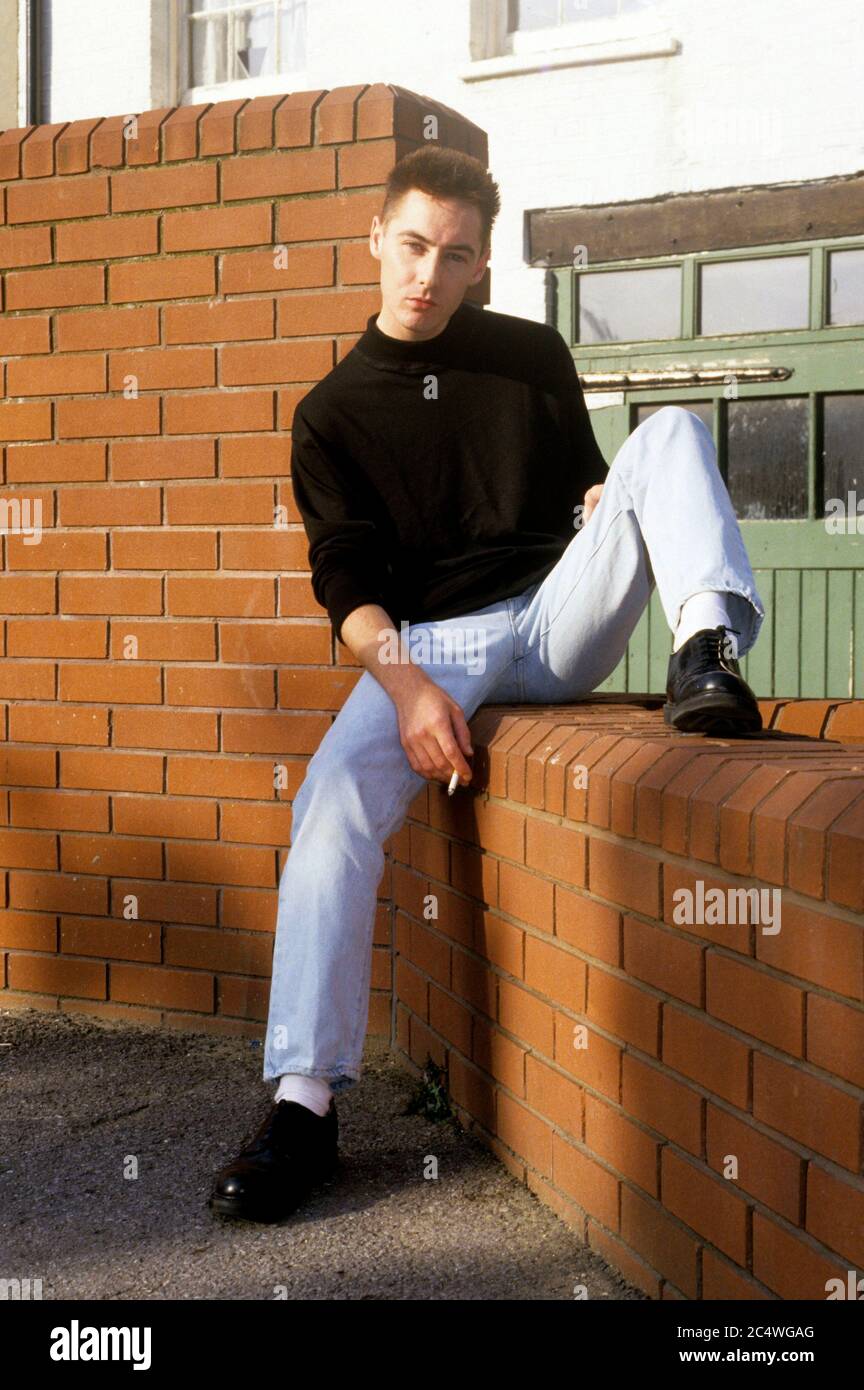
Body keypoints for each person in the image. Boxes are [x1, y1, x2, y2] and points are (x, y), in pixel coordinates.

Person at [209, 146, 764, 1223]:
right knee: (330, 799)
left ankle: (707, 650)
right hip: (429, 644)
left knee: (674, 431)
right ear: (376, 238)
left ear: (481, 267)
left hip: (556, 618)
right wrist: (413, 691)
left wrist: (610, 497)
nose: (427, 273)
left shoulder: (529, 356)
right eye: (412, 244)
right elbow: (350, 590)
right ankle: (305, 1103)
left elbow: (585, 488)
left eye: (455, 255)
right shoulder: (329, 416)